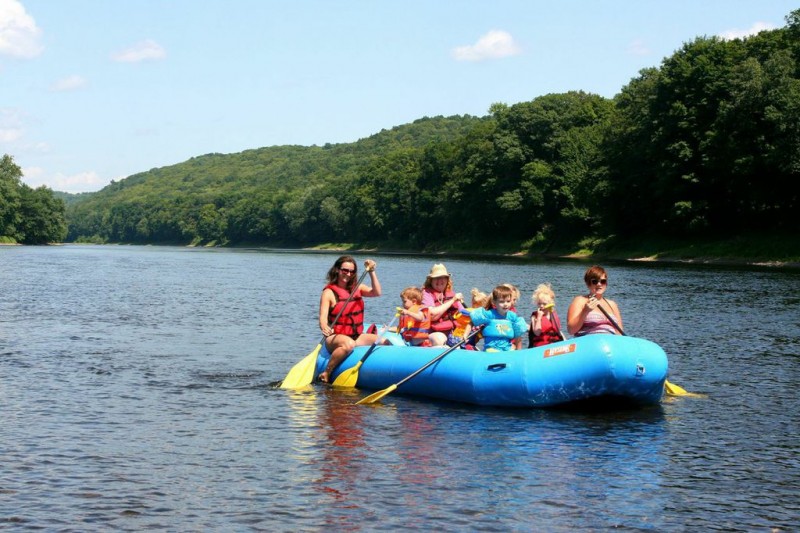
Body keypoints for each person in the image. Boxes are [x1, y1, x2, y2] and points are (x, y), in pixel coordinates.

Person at [318, 256, 382, 383]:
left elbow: (377, 292)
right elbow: (322, 319)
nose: (348, 274)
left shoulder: (357, 287)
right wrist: (324, 327)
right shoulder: (329, 293)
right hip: (335, 338)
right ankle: (326, 372)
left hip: (355, 335)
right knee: (349, 344)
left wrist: (372, 272)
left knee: (384, 341)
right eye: (345, 270)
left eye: (352, 271)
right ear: (337, 270)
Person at [567, 265, 623, 336]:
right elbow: (571, 330)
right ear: (588, 284)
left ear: (606, 283)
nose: (599, 284)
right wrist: (585, 311)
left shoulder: (612, 304)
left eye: (603, 281)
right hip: (589, 343)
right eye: (595, 281)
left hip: (611, 344)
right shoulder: (580, 301)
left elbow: (620, 333)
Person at [469, 285, 527, 351]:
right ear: (494, 302)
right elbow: (473, 320)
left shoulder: (512, 316)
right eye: (502, 302)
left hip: (507, 348)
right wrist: (465, 334)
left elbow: (518, 336)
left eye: (508, 301)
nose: (505, 304)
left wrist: (518, 352)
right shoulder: (489, 314)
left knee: (512, 348)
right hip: (491, 349)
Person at [421, 264, 464, 346]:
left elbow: (463, 312)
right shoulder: (426, 294)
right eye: (436, 278)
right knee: (440, 338)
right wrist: (453, 300)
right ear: (431, 280)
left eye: (443, 277)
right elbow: (432, 315)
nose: (440, 280)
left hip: (452, 333)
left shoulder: (451, 294)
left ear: (447, 280)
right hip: (431, 333)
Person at [528, 283, 564, 347]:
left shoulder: (552, 314)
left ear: (550, 304)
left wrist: (565, 341)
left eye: (544, 304)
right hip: (541, 346)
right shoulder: (535, 316)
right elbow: (537, 333)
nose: (541, 306)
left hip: (554, 344)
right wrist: (539, 318)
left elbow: (558, 331)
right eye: (539, 304)